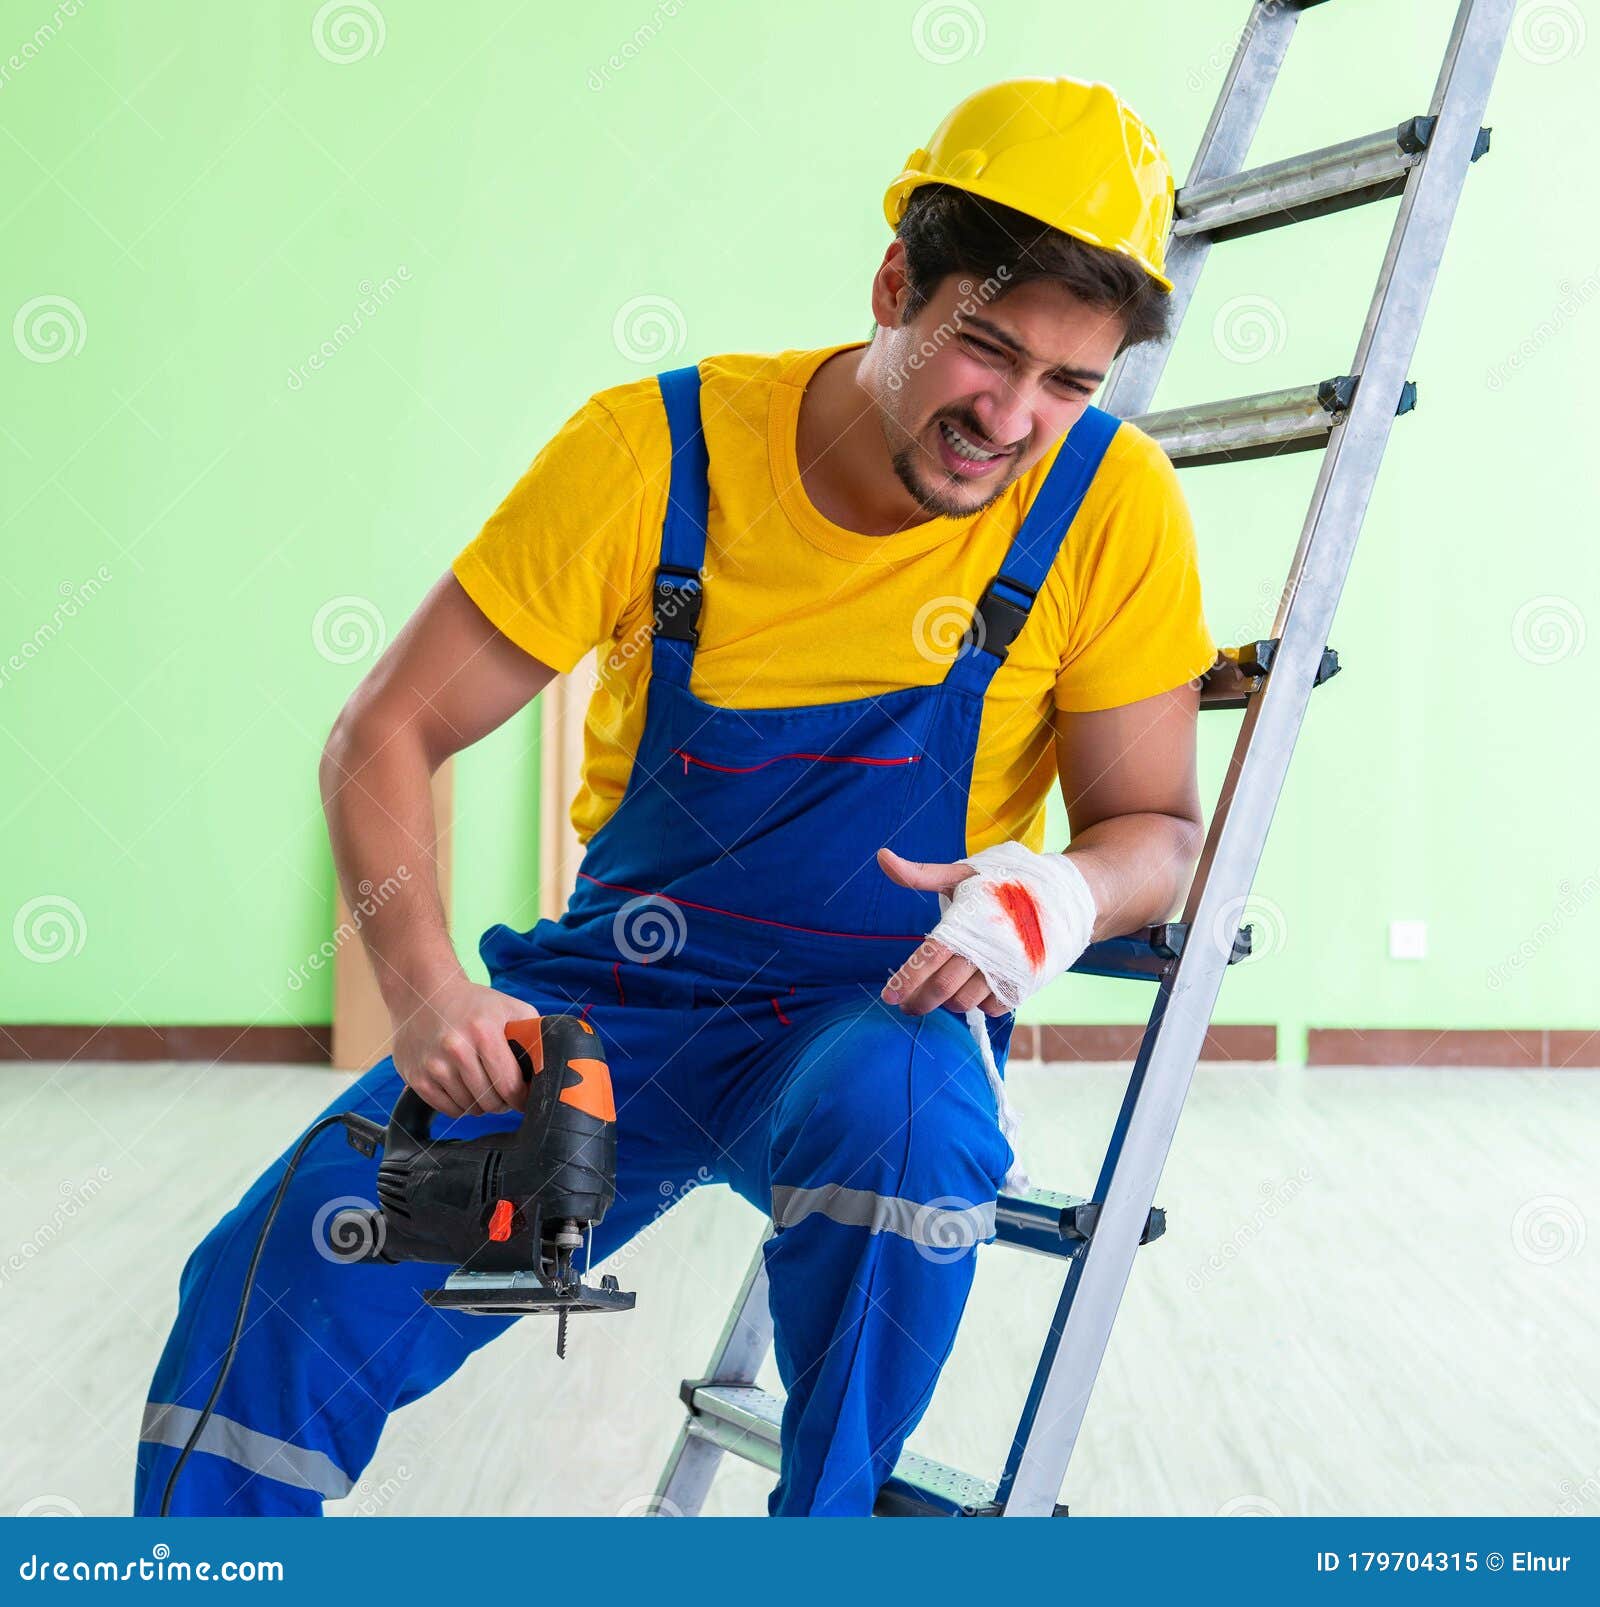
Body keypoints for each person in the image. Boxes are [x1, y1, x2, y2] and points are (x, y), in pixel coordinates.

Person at [135, 76, 1215, 1518]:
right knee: (282, 1282)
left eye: (1068, 384)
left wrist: (1064, 890)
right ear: (897, 282)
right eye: (985, 350)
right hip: (609, 1025)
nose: (1012, 419)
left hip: (874, 1010)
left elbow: (1161, 834)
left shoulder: (1111, 502)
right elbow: (384, 731)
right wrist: (424, 990)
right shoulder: (657, 453)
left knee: (917, 1132)